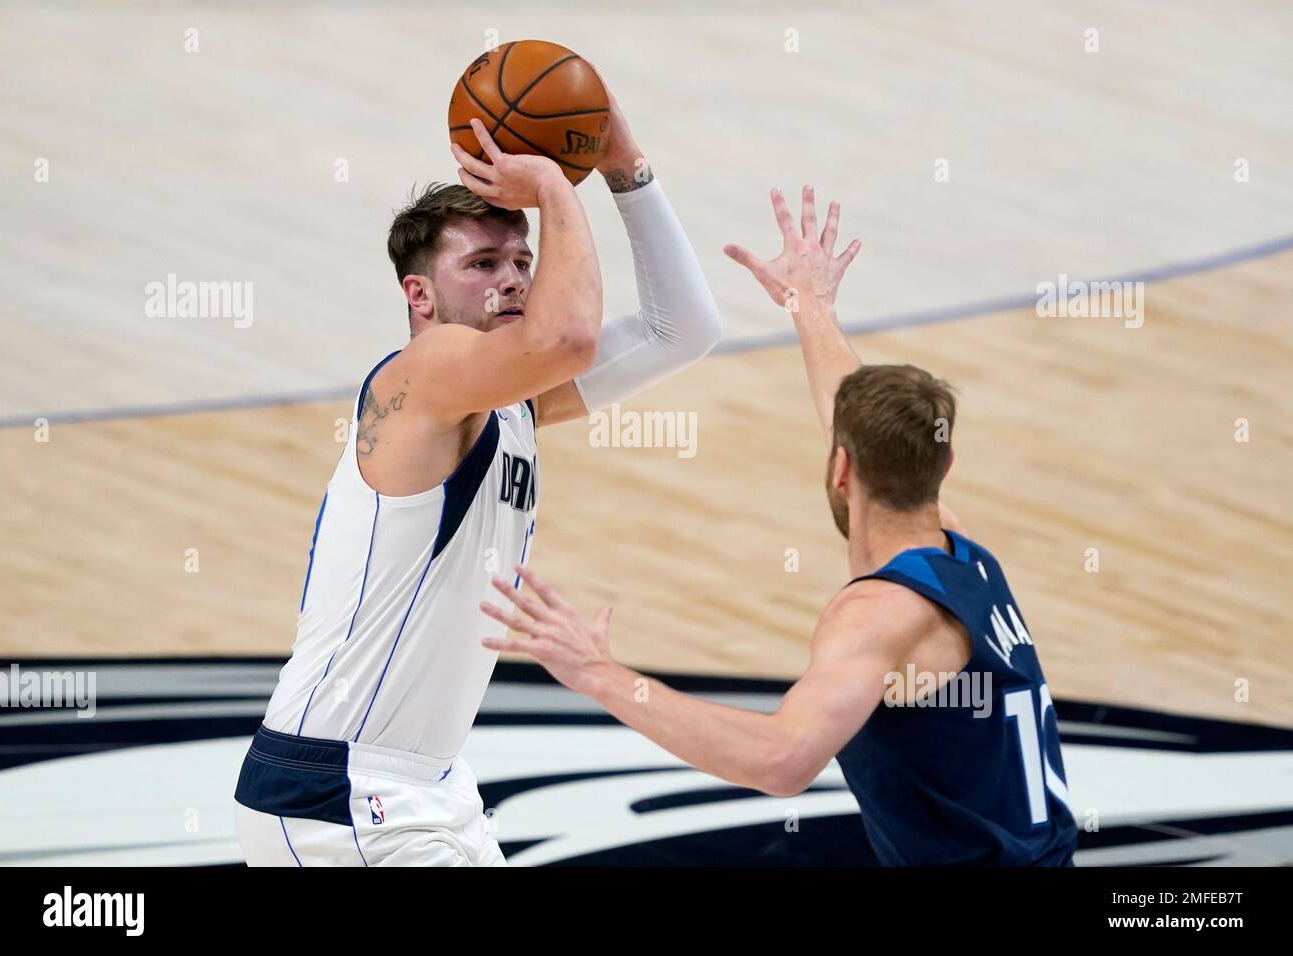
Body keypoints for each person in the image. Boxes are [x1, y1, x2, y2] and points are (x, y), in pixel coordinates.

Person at [480, 186, 1079, 866]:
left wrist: (600, 674)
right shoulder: (961, 552)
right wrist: (810, 308)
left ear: (841, 471)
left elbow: (781, 761)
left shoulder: (880, 616)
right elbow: (858, 425)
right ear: (944, 463)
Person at [234, 84, 720, 866]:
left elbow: (682, 329)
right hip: (342, 793)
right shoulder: (424, 373)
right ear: (418, 295)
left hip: (426, 786)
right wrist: (558, 188)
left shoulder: (510, 399)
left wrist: (626, 165)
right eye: (484, 262)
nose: (514, 279)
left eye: (523, 260)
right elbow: (566, 337)